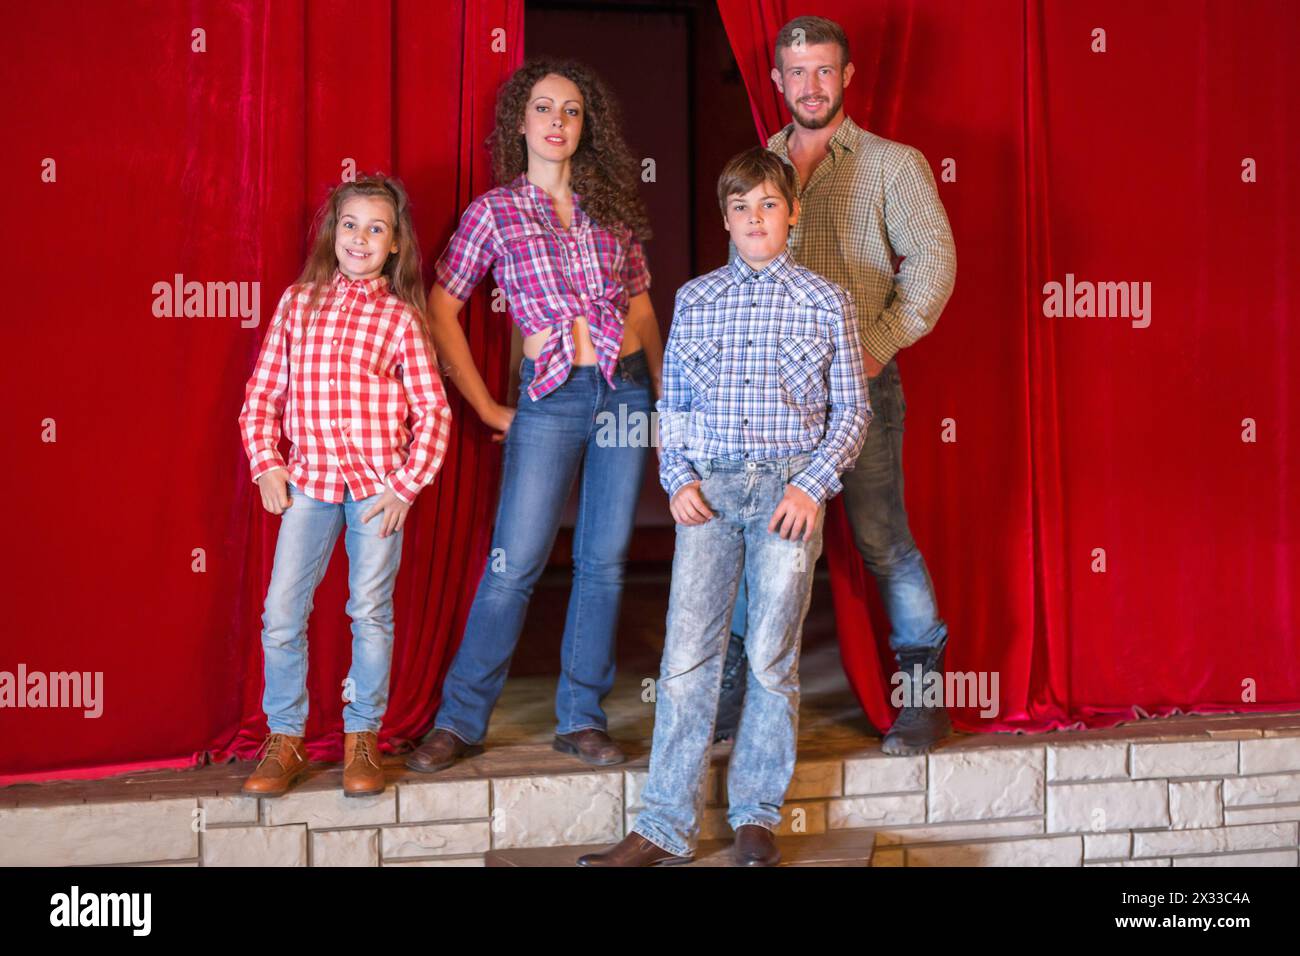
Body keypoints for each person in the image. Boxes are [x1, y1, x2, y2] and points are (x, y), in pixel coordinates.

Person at [578, 147, 869, 866]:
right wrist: (677, 478)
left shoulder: (825, 300)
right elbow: (672, 401)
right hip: (709, 493)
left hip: (787, 495)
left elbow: (853, 409)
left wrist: (814, 484)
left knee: (771, 656)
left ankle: (756, 816)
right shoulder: (698, 300)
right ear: (725, 219)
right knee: (686, 656)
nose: (755, 218)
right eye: (741, 208)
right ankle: (663, 824)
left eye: (769, 204)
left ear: (792, 211)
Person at [405, 58, 663, 775]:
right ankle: (460, 720)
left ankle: (582, 718)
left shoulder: (610, 206)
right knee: (513, 562)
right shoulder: (494, 211)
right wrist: (488, 405)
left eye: (572, 111)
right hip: (550, 396)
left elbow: (639, 306)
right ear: (520, 122)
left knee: (604, 563)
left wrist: (664, 400)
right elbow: (442, 305)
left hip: (624, 392)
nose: (557, 122)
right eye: (544, 108)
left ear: (587, 128)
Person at [715, 15, 958, 756]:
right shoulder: (759, 168)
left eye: (824, 70)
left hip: (863, 392)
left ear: (846, 77)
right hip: (772, 402)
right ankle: (734, 696)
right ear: (776, 82)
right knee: (761, 541)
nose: (811, 85)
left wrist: (874, 351)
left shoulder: (893, 163)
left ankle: (922, 700)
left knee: (884, 540)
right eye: (797, 72)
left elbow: (934, 267)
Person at [238, 174, 453, 798]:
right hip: (309, 484)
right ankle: (285, 737)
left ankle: (363, 736)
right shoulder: (296, 304)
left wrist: (405, 486)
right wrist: (267, 463)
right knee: (281, 612)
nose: (361, 238)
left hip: (375, 490)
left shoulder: (400, 319)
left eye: (376, 229)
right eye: (351, 225)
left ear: (394, 246)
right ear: (334, 233)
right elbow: (261, 397)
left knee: (369, 612)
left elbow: (432, 413)